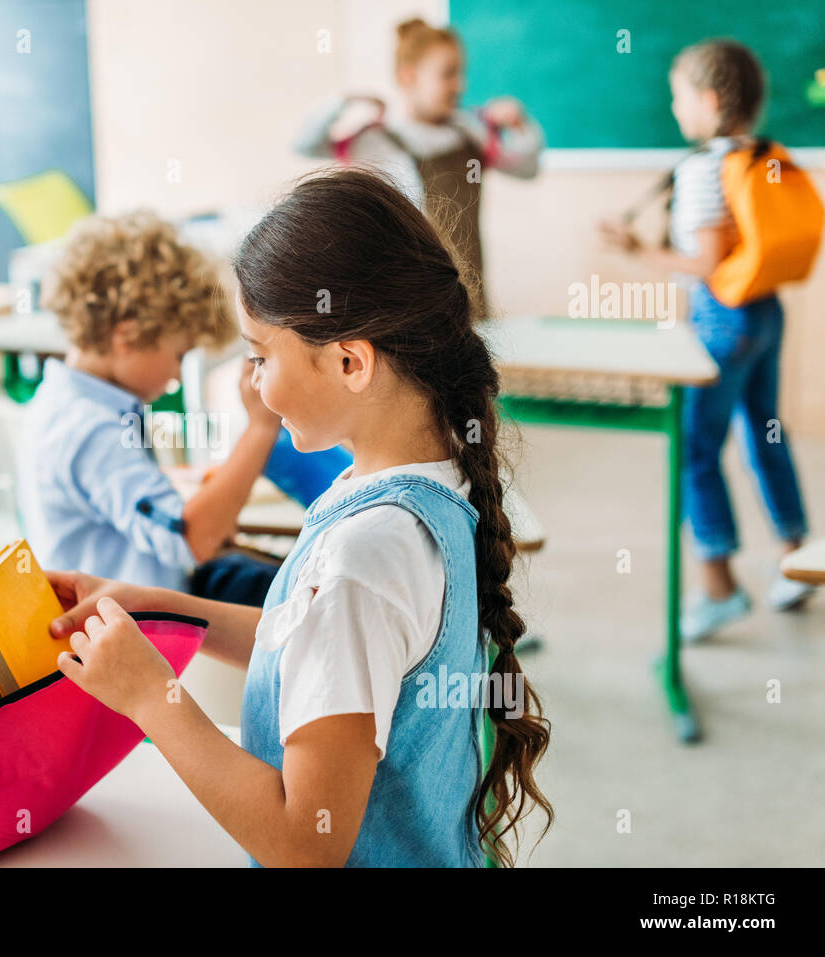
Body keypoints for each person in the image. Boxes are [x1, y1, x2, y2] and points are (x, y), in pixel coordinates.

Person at [46, 169, 552, 867]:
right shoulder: (429, 484)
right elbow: (317, 648)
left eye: (259, 355)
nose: (252, 383)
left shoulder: (364, 557)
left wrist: (152, 698)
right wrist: (162, 608)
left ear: (350, 361)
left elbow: (305, 842)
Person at [600, 40, 813, 640]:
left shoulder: (702, 169)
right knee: (765, 432)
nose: (674, 109)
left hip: (725, 321)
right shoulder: (763, 154)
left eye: (678, 97)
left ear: (710, 101)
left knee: (694, 448)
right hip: (766, 313)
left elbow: (709, 264)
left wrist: (640, 250)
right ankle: (797, 560)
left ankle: (718, 585)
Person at [18, 210, 283, 606]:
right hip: (126, 630)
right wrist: (261, 427)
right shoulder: (88, 429)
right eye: (179, 354)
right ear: (127, 335)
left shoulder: (67, 400)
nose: (176, 375)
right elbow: (190, 538)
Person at [293, 17, 544, 315]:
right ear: (409, 77)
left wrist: (520, 124)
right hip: (407, 310)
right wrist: (346, 99)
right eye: (448, 74)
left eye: (461, 73)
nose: (460, 85)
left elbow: (528, 168)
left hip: (470, 302)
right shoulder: (376, 142)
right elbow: (305, 144)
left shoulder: (469, 132)